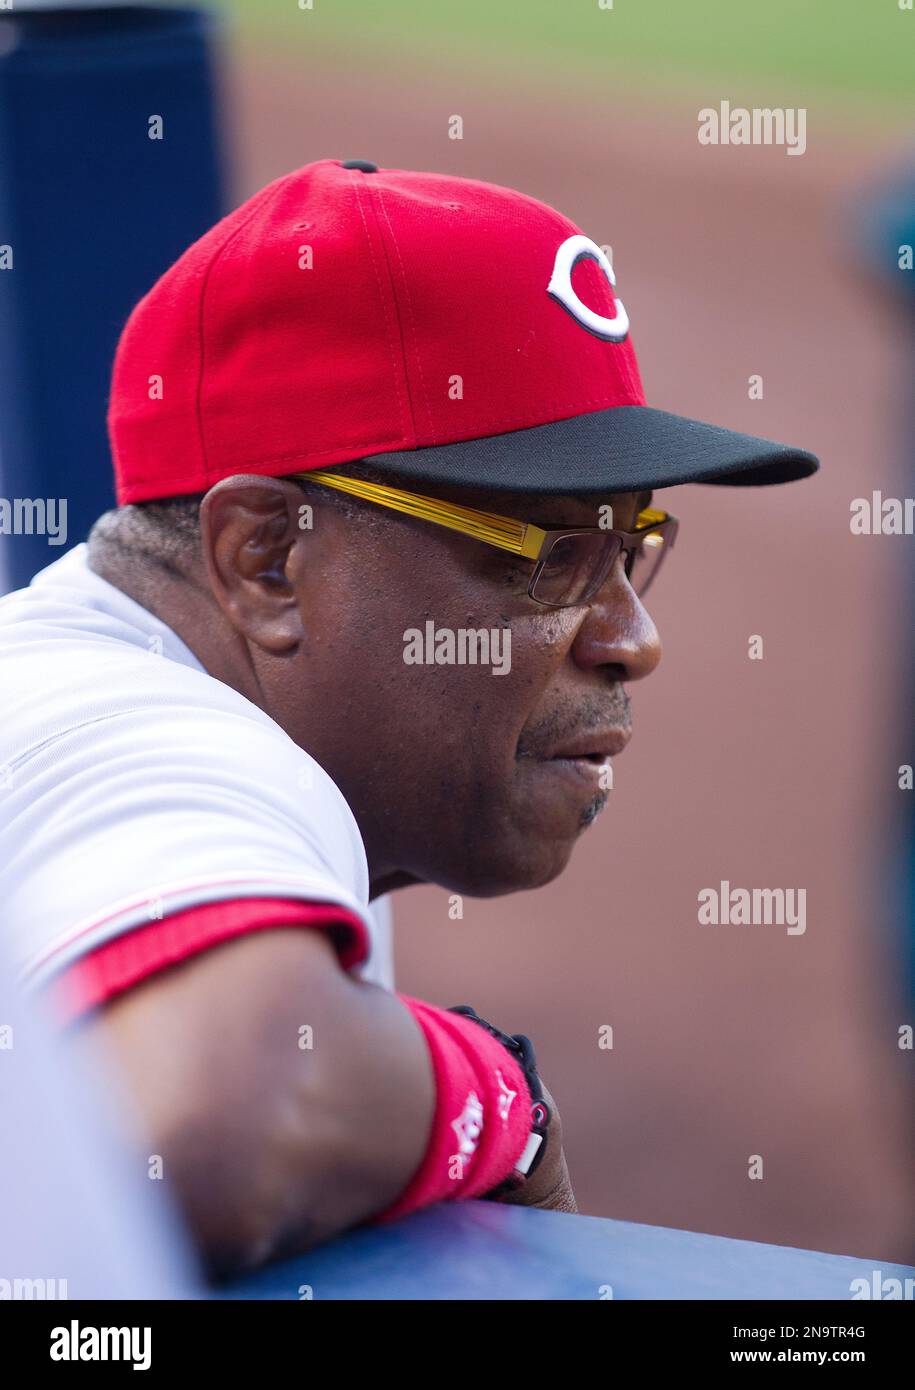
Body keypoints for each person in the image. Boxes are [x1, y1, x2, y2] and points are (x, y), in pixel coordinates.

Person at [0, 159, 818, 1277]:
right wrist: (500, 1090)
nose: (633, 637)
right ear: (267, 559)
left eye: (632, 548)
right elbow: (231, 1119)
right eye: (553, 557)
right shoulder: (155, 740)